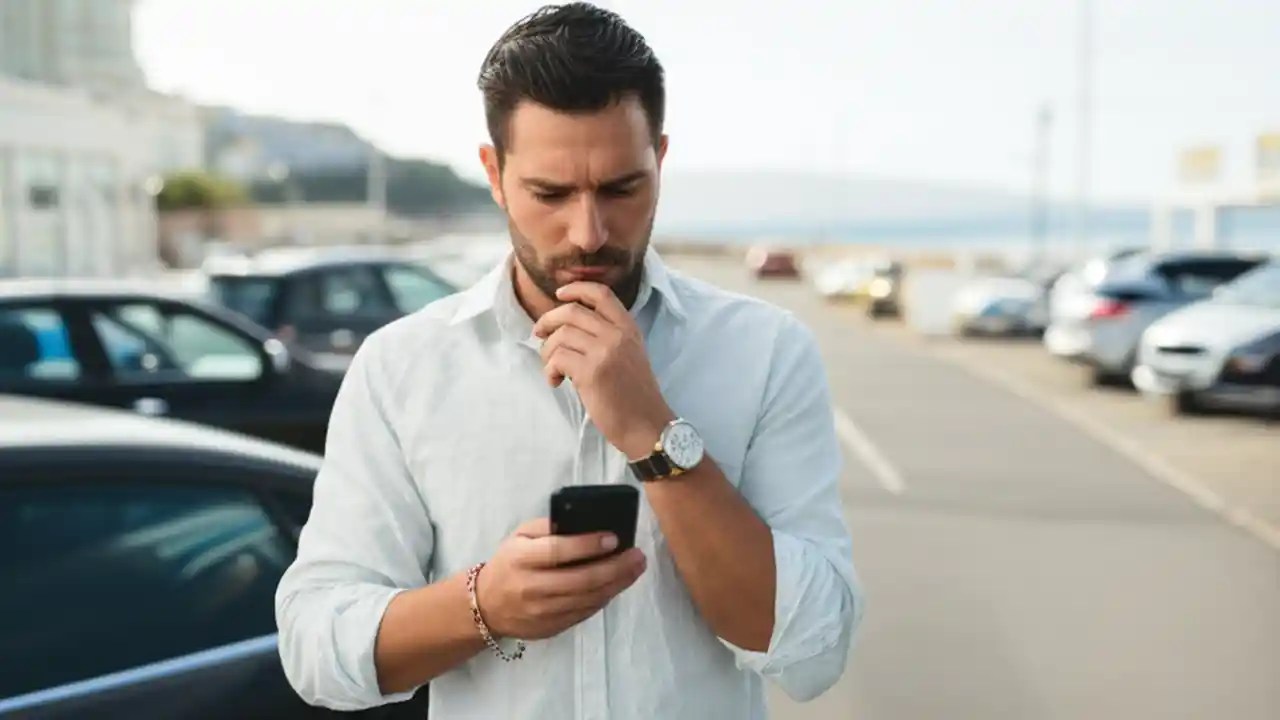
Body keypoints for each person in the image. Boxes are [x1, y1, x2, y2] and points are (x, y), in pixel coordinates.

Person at [275, 3, 863, 717]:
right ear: (494, 174)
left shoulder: (766, 351)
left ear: (661, 162)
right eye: (550, 194)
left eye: (622, 188)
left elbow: (811, 652)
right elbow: (314, 648)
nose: (589, 233)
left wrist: (654, 433)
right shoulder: (402, 368)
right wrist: (484, 604)